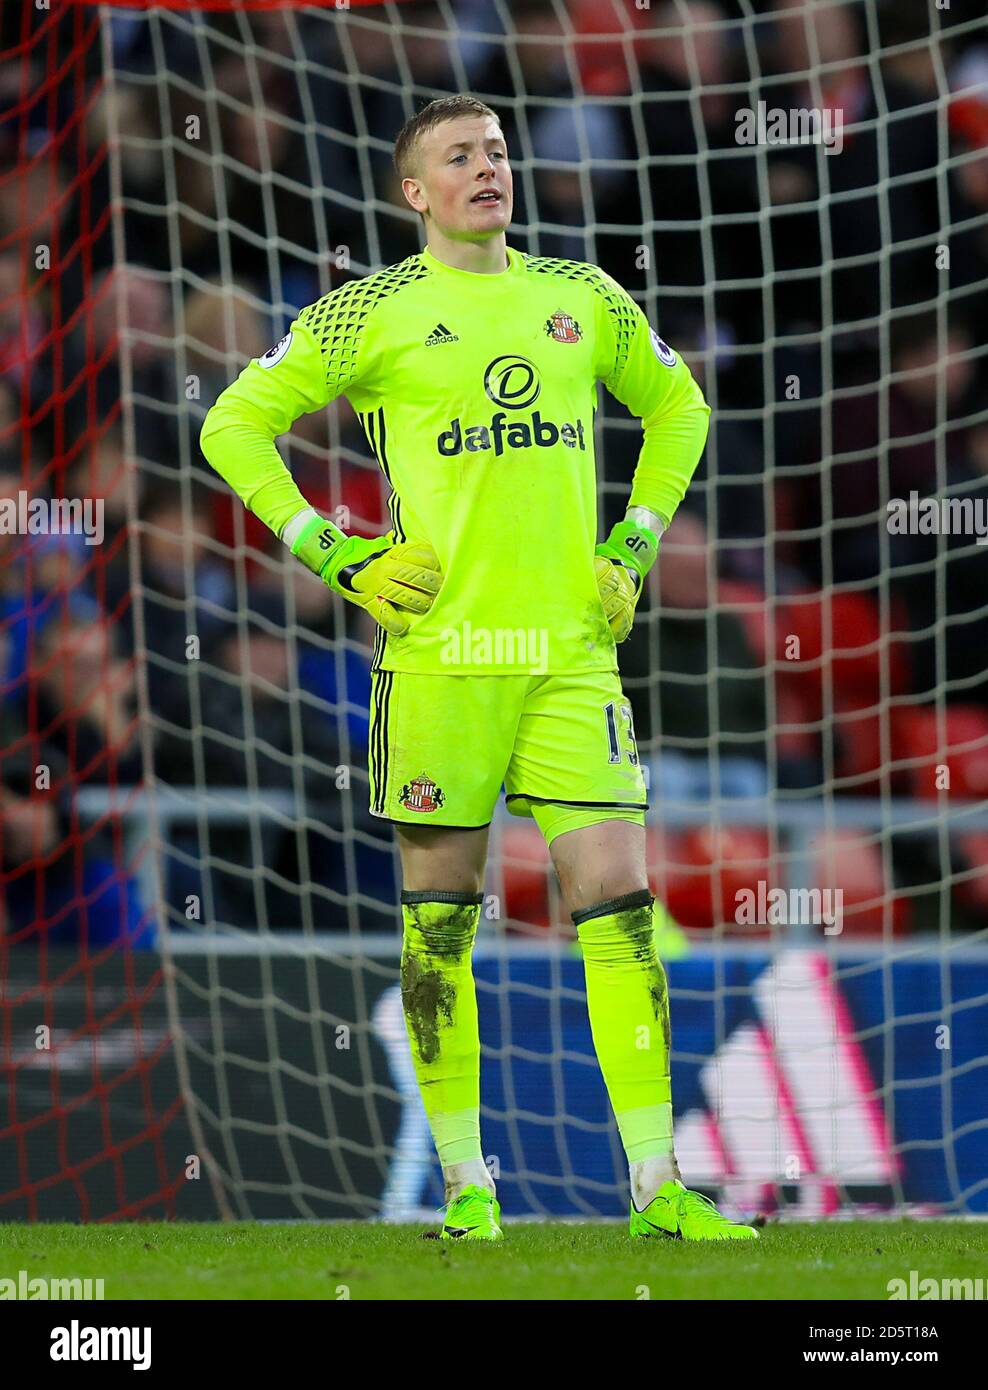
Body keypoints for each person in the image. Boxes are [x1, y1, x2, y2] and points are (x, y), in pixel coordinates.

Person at [200, 94, 756, 1243]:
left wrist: (634, 541)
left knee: (621, 909)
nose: (487, 168)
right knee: (441, 922)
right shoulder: (368, 315)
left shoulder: (580, 297)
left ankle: (657, 1187)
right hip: (441, 659)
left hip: (570, 657)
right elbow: (231, 426)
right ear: (415, 192)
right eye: (459, 156)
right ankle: (467, 1182)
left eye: (497, 151)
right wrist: (332, 551)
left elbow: (679, 406)